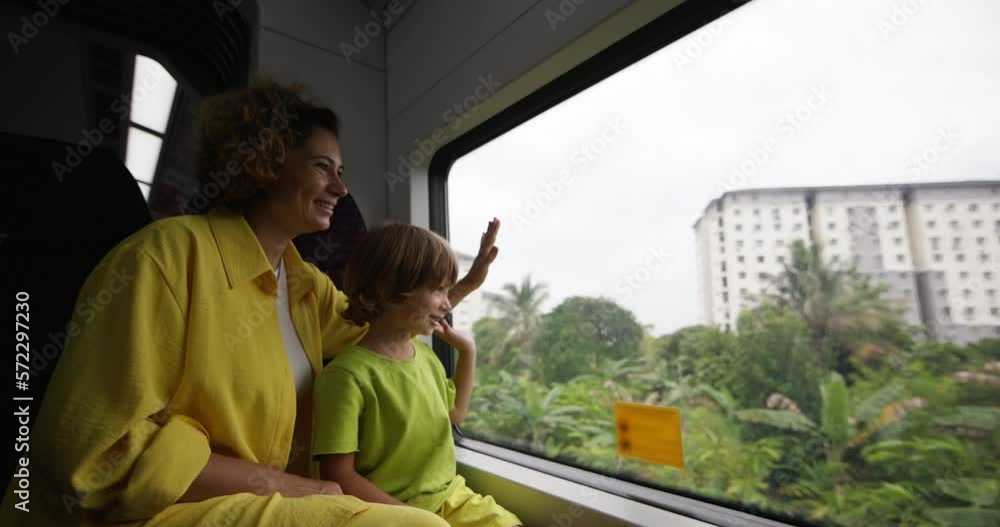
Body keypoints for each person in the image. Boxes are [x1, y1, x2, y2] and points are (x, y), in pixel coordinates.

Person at [0, 78, 499, 526]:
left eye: (341, 171)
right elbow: (92, 452)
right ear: (264, 163)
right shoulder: (162, 259)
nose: (341, 189)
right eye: (323, 168)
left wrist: (456, 288)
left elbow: (388, 321)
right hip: (161, 510)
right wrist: (303, 487)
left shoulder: (306, 285)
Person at [312, 224, 522, 527]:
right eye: (438, 290)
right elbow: (338, 476)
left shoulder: (425, 356)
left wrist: (468, 352)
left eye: (448, 290)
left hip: (452, 498)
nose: (448, 303)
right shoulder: (345, 376)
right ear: (387, 290)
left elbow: (455, 413)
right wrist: (414, 518)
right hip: (391, 512)